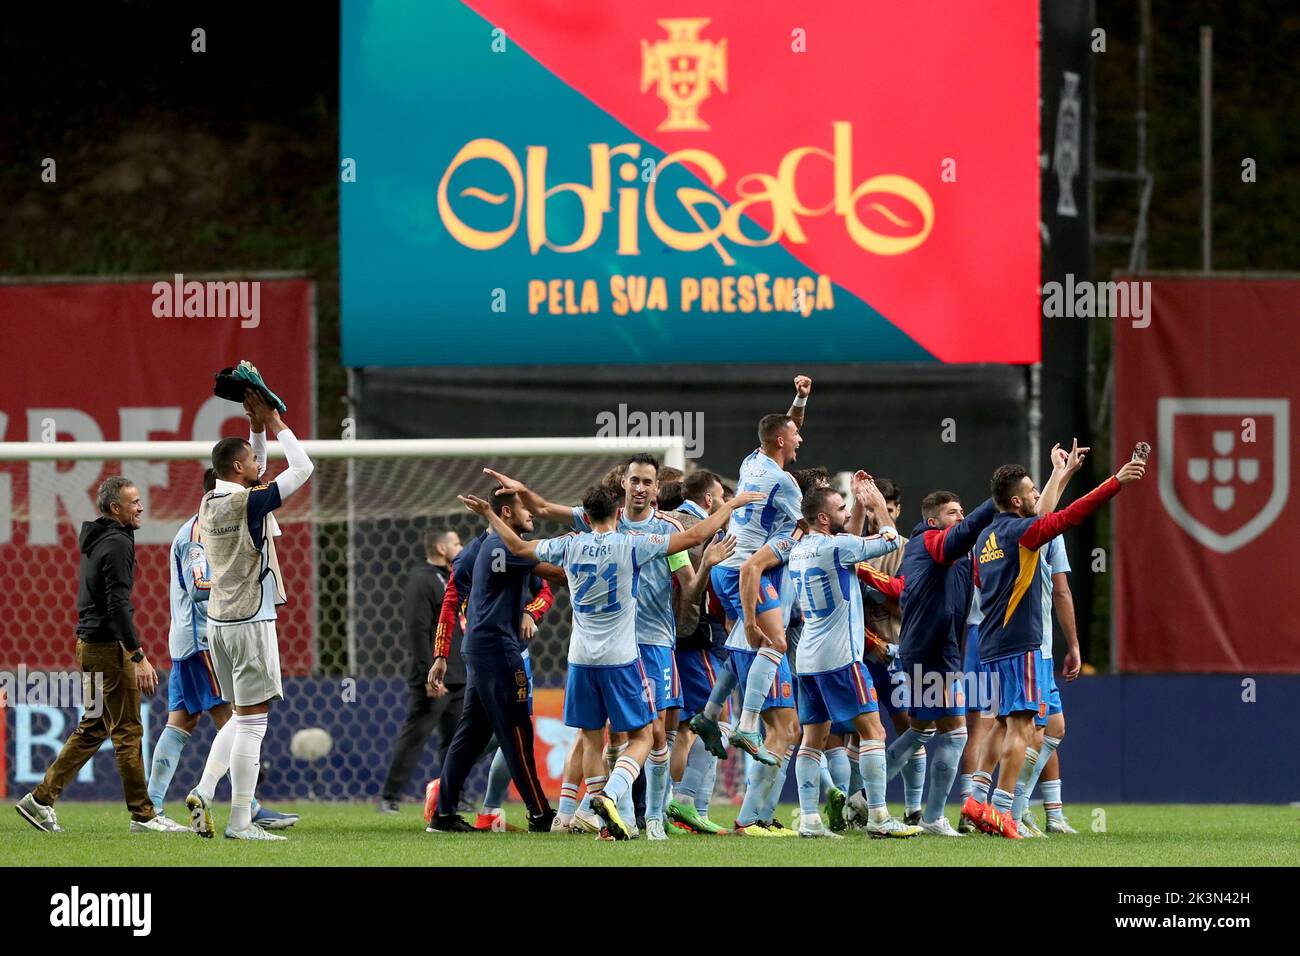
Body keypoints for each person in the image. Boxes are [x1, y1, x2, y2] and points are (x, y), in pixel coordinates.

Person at [462, 482, 761, 840]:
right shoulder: (630, 544)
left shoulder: (568, 544)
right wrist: (733, 506)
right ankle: (611, 796)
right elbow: (695, 535)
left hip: (580, 659)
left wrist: (489, 514)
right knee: (644, 738)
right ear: (617, 515)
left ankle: (601, 818)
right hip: (621, 658)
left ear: (585, 517)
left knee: (590, 740)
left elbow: (518, 546)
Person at [965, 449, 1143, 839]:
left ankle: (976, 799)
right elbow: (1068, 516)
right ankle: (1002, 810)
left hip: (991, 642)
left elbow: (983, 582)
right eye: (1030, 492)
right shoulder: (1024, 534)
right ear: (1016, 501)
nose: (1035, 496)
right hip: (1021, 642)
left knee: (999, 722)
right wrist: (1116, 482)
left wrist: (1058, 475)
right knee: (1025, 726)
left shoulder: (985, 539)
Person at [185, 389, 314, 841]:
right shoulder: (248, 502)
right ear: (238, 469)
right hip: (251, 623)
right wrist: (277, 421)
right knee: (254, 724)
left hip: (218, 624)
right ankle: (241, 821)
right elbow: (304, 468)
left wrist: (256, 428)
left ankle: (203, 788)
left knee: (240, 718)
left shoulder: (209, 503)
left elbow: (254, 472)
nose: (261, 466)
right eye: (252, 461)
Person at [16, 476, 176, 834]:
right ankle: (144, 815)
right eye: (134, 502)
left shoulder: (101, 537)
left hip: (88, 644)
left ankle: (39, 800)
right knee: (128, 730)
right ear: (115, 508)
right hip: (107, 648)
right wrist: (137, 655)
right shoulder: (118, 543)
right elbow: (117, 604)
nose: (141, 507)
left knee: (94, 727)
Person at [147, 466, 297, 830]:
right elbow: (199, 585)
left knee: (181, 721)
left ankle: (149, 810)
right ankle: (245, 807)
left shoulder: (200, 525)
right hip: (203, 639)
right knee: (238, 719)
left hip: (186, 639)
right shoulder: (199, 531)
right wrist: (235, 583)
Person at [425, 488, 564, 834]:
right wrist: (440, 653)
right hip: (499, 651)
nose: (532, 512)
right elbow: (556, 576)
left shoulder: (496, 547)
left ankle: (443, 811)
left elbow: (541, 590)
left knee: (472, 734)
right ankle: (538, 812)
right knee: (517, 732)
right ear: (505, 512)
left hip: (485, 649)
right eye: (524, 507)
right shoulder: (505, 548)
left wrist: (530, 612)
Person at [789, 479, 919, 838]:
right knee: (873, 731)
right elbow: (890, 539)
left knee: (812, 738)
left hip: (808, 658)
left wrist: (859, 510)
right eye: (840, 508)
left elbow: (850, 542)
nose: (846, 511)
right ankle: (878, 817)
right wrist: (877, 504)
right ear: (823, 517)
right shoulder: (835, 549)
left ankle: (808, 819)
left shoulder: (800, 549)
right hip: (841, 658)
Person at [708, 375, 813, 766]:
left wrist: (799, 400)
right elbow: (809, 524)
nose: (801, 439)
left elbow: (784, 430)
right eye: (795, 436)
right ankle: (748, 722)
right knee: (774, 643)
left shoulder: (751, 461)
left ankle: (710, 714)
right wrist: (800, 536)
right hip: (744, 569)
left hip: (726, 566)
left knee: (741, 643)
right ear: (782, 443)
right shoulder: (785, 483)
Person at [377, 528, 463, 813]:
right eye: (455, 542)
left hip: (459, 675)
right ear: (440, 547)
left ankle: (453, 796)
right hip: (433, 677)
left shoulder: (451, 577)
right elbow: (417, 629)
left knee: (455, 742)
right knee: (416, 736)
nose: (460, 547)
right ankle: (390, 796)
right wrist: (429, 672)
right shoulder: (422, 580)